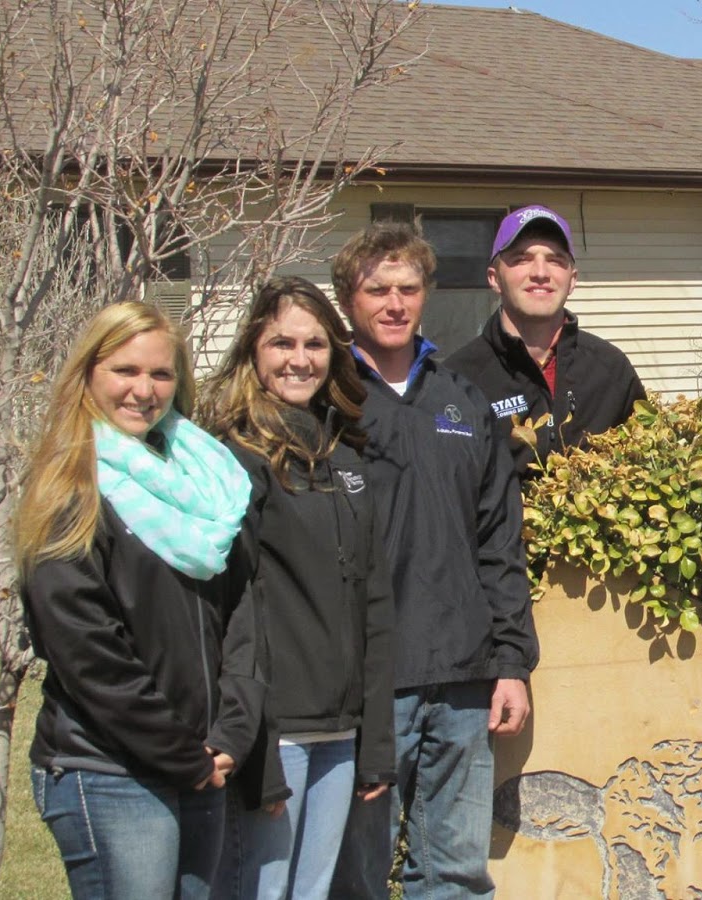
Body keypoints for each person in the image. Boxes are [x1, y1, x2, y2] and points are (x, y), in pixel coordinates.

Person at [16, 301, 259, 899]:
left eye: (161, 374)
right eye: (125, 370)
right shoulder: (72, 485)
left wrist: (230, 733)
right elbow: (86, 650)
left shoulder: (205, 484)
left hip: (203, 762)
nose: (144, 391)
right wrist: (183, 753)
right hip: (112, 770)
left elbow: (240, 618)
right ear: (89, 374)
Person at [326, 221, 537, 899]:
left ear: (426, 294)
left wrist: (510, 664)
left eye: (408, 288)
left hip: (463, 681)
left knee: (454, 875)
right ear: (348, 302)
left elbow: (499, 542)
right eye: (377, 289)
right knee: (354, 877)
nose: (395, 303)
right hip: (364, 687)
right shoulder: (328, 405)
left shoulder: (462, 402)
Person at [200, 277, 396, 900]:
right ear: (253, 349)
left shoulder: (344, 456)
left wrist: (376, 741)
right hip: (273, 733)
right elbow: (229, 609)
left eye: (315, 344)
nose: (299, 359)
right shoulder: (235, 455)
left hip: (338, 733)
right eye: (281, 342)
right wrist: (251, 747)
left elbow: (373, 602)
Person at [446, 204, 645, 481]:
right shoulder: (458, 380)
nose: (540, 272)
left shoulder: (611, 370)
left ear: (572, 280)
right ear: (494, 278)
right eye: (521, 258)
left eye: (555, 260)